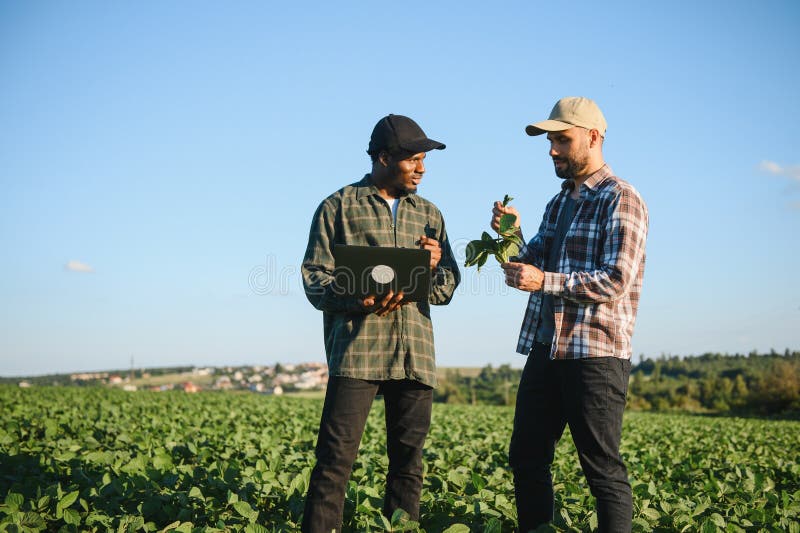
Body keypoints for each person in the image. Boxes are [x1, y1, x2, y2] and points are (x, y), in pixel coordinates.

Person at [491, 97, 648, 533]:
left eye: (562, 139)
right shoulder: (560, 203)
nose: (553, 150)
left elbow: (615, 280)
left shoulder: (622, 198)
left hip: (595, 355)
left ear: (593, 137)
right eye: (550, 141)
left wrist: (545, 281)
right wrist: (510, 235)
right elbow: (533, 260)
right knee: (526, 457)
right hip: (547, 349)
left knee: (602, 471)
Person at [301, 114, 460, 532]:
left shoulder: (430, 214)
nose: (422, 169)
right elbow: (314, 279)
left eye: (425, 160)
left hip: (414, 356)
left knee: (408, 466)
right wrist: (357, 295)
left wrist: (434, 265)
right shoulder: (337, 207)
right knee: (334, 462)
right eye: (413, 160)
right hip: (357, 352)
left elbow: (447, 287)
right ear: (384, 157)